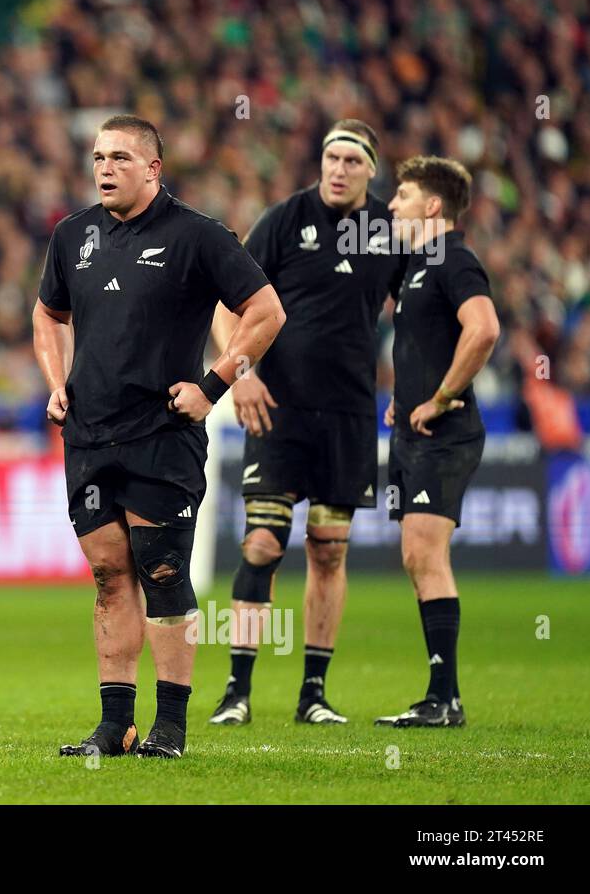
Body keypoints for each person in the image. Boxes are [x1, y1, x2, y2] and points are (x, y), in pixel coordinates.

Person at [33, 115, 285, 758]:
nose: (104, 168)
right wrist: (56, 380)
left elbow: (266, 311)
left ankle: (170, 727)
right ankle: (114, 725)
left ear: (153, 168)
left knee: (164, 571)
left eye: (119, 157)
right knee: (110, 577)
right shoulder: (72, 235)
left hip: (162, 433)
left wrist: (215, 384)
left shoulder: (198, 236)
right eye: (97, 157)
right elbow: (47, 313)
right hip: (88, 435)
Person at [207, 120, 404, 726]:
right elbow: (225, 304)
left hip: (348, 413)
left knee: (328, 550)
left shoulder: (389, 232)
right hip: (278, 409)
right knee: (263, 542)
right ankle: (237, 692)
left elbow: (417, 307)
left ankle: (312, 693)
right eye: (330, 156)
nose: (338, 168)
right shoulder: (284, 220)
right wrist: (241, 374)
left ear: (372, 170)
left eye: (351, 160)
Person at [377, 156, 499, 727]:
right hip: (411, 432)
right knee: (414, 555)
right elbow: (428, 342)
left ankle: (444, 699)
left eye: (402, 195)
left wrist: (444, 396)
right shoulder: (417, 266)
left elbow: (485, 328)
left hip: (443, 434)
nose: (393, 205)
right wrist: (407, 397)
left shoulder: (454, 258)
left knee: (426, 554)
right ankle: (439, 696)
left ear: (432, 206)